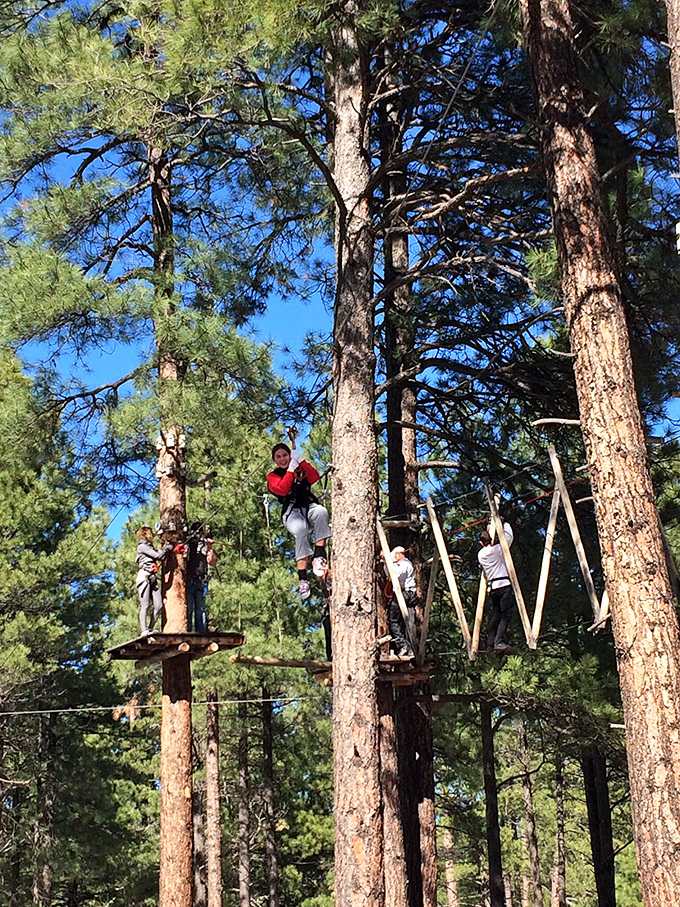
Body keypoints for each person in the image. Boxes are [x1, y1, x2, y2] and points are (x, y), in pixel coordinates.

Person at [267, 442, 331, 600]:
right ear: (275, 460)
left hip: (308, 506)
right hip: (292, 512)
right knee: (301, 530)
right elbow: (282, 489)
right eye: (278, 457)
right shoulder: (273, 476)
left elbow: (314, 477)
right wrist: (290, 470)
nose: (282, 459)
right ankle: (303, 578)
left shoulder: (299, 468)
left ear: (290, 455)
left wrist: (300, 461)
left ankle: (319, 554)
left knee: (321, 512)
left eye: (285, 455)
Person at [478, 521, 515, 653]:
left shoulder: (481, 555)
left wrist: (489, 528)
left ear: (481, 543)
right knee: (506, 614)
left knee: (496, 616)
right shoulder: (498, 550)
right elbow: (509, 537)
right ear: (491, 540)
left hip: (493, 588)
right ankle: (498, 642)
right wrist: (504, 524)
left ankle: (490, 643)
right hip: (504, 585)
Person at [136, 527, 173, 636]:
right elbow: (158, 556)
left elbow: (159, 555)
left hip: (152, 578)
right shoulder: (142, 547)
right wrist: (166, 548)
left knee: (158, 605)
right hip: (144, 577)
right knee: (145, 605)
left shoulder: (149, 547)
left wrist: (166, 549)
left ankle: (150, 628)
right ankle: (144, 630)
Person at [384, 546, 417, 658]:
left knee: (393, 619)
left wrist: (389, 562)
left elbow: (395, 575)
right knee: (399, 621)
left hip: (406, 593)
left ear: (399, 554)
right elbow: (389, 574)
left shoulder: (405, 564)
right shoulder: (401, 564)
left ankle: (404, 645)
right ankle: (404, 646)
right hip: (402, 594)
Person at [186, 521, 216, 633]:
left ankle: (201, 632)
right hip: (189, 580)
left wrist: (210, 547)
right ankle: (187, 631)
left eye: (200, 530)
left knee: (201, 609)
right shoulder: (187, 543)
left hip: (201, 580)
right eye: (195, 530)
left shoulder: (204, 545)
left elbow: (212, 562)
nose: (198, 532)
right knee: (188, 608)